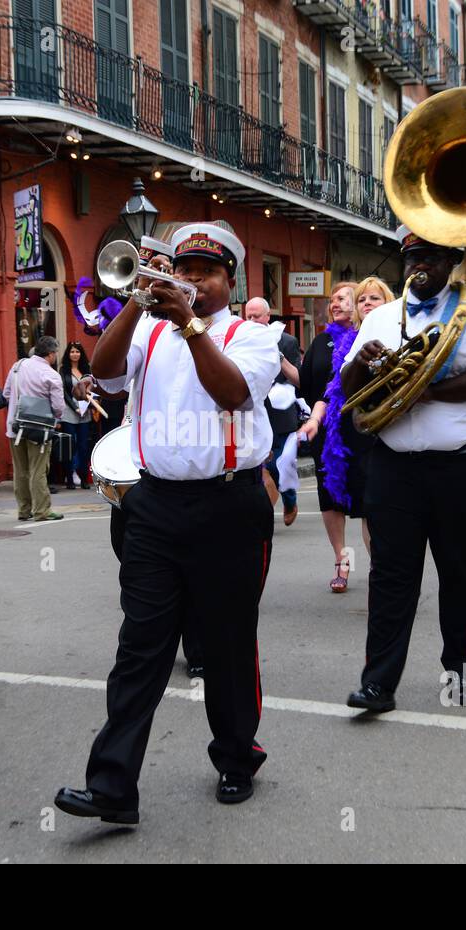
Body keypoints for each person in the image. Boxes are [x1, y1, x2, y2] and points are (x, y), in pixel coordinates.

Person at [55, 223, 279, 823]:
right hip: (154, 506)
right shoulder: (147, 332)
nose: (191, 281)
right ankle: (112, 786)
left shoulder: (251, 336)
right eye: (184, 270)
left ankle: (236, 757)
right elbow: (101, 372)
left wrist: (188, 321)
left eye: (205, 273)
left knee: (229, 644)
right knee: (139, 646)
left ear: (230, 279)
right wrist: (132, 303)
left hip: (230, 507)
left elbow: (231, 393)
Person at [338, 226, 466, 712]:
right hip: (395, 465)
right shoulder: (381, 317)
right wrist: (368, 363)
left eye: (433, 259)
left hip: (463, 465)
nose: (422, 267)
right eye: (414, 257)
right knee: (390, 577)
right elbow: (349, 385)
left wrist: (425, 388)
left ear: (451, 262)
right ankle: (378, 683)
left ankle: (460, 672)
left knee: (460, 574)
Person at [298, 281, 374, 592]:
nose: (335, 303)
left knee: (368, 504)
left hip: (361, 430)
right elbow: (310, 386)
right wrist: (279, 362)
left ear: (357, 304)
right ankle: (343, 562)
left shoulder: (365, 338)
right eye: (332, 299)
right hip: (327, 432)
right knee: (331, 502)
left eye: (342, 298)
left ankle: (378, 570)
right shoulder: (320, 342)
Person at [245, 296, 303, 525]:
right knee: (257, 466)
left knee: (279, 465)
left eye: (256, 316)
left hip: (280, 414)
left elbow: (295, 375)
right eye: (248, 315)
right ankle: (260, 510)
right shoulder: (241, 338)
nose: (251, 320)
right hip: (253, 414)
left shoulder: (286, 341)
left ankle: (290, 500)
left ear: (268, 317)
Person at [2, 336, 66, 521]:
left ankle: (24, 509)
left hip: (15, 425)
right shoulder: (51, 375)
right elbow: (58, 408)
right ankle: (42, 510)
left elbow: (6, 393)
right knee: (38, 469)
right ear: (51, 354)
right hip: (40, 428)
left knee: (20, 470)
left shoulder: (17, 366)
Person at [59, 341, 95, 489]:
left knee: (84, 446)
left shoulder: (87, 369)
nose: (75, 354)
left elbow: (92, 389)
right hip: (69, 412)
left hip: (85, 412)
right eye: (72, 351)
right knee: (70, 446)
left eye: (77, 351)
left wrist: (88, 405)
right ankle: (70, 477)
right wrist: (75, 408)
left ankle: (84, 477)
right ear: (68, 354)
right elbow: (64, 393)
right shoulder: (63, 371)